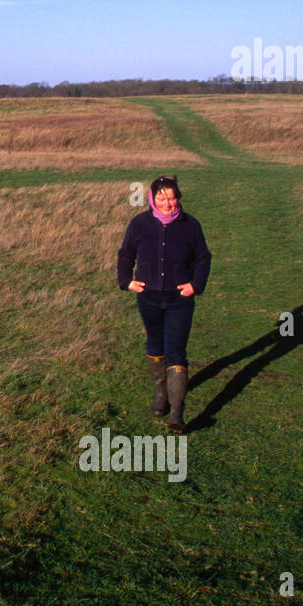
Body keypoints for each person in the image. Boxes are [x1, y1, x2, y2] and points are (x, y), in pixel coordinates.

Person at [116, 175, 211, 434]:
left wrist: (195, 285)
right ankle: (160, 394)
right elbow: (126, 253)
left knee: (176, 352)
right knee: (154, 346)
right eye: (162, 198)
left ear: (178, 197)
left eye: (172, 197)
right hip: (148, 300)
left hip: (180, 301)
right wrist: (126, 281)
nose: (167, 203)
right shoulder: (139, 224)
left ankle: (177, 413)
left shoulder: (190, 225)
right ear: (152, 199)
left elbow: (203, 258)